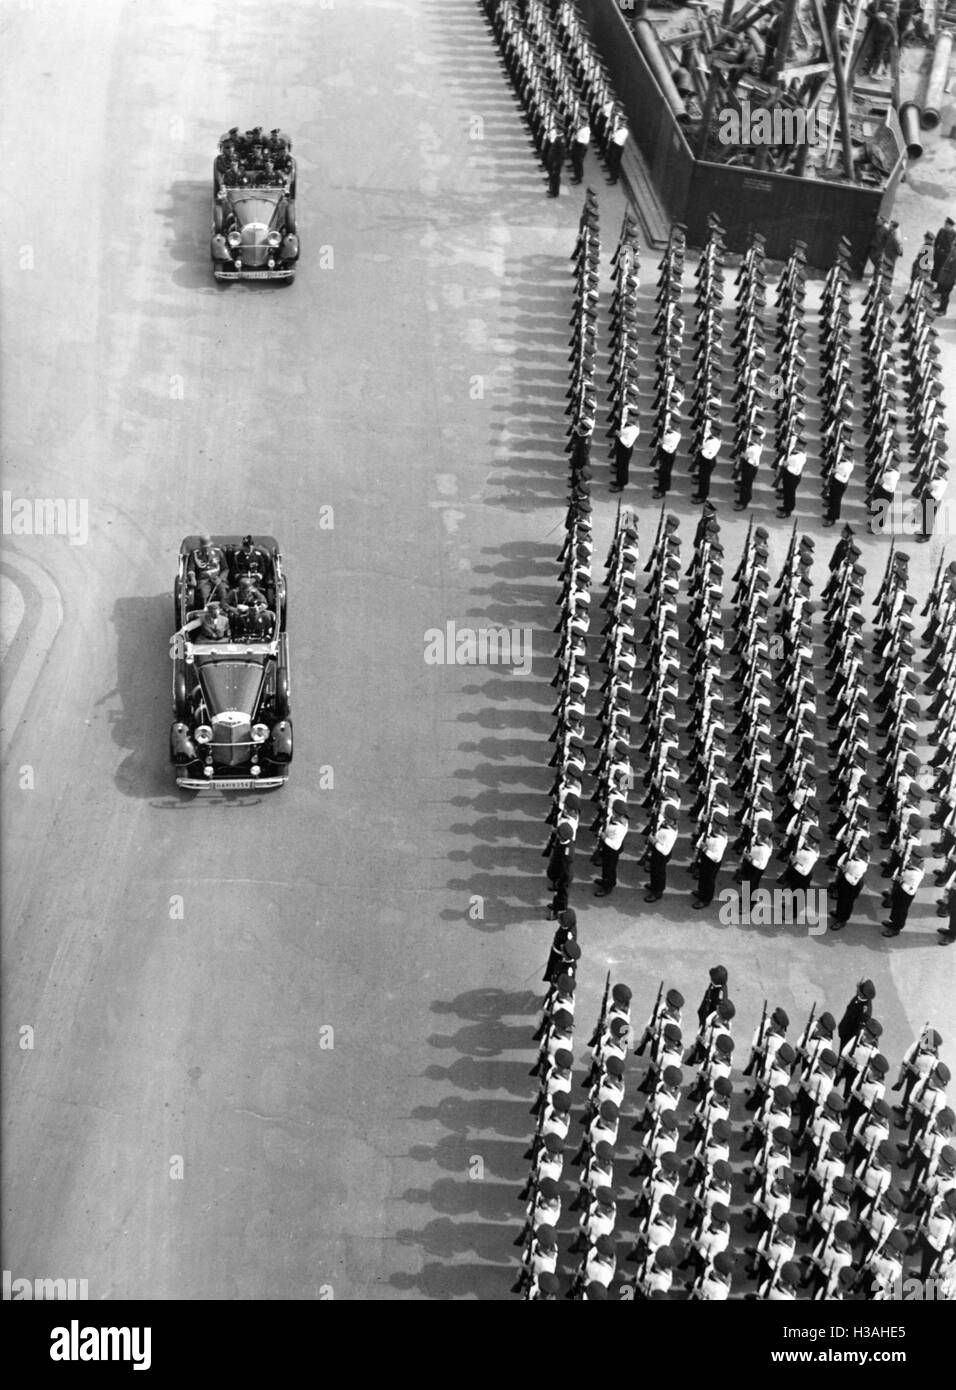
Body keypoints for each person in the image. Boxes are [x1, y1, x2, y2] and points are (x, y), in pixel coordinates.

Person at [936, 240, 956, 317]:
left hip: (949, 280)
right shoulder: (953, 251)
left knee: (945, 295)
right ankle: (940, 308)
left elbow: (953, 271)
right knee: (944, 295)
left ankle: (942, 310)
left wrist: (948, 282)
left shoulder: (955, 254)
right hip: (945, 278)